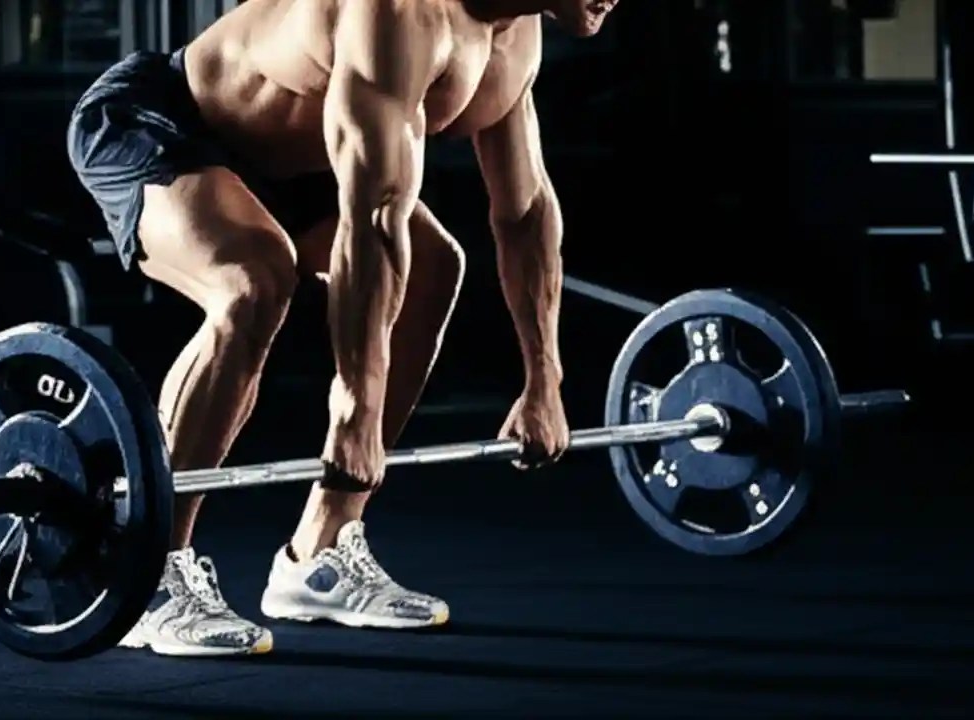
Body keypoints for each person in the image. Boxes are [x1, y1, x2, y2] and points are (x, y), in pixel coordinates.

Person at [66, 0, 619, 657]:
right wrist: (355, 410)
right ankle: (148, 569)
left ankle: (319, 556)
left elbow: (524, 213)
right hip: (163, 124)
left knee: (438, 268)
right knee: (254, 283)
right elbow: (377, 216)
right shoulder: (400, 16)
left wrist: (544, 382)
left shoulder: (514, 38)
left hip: (289, 168)